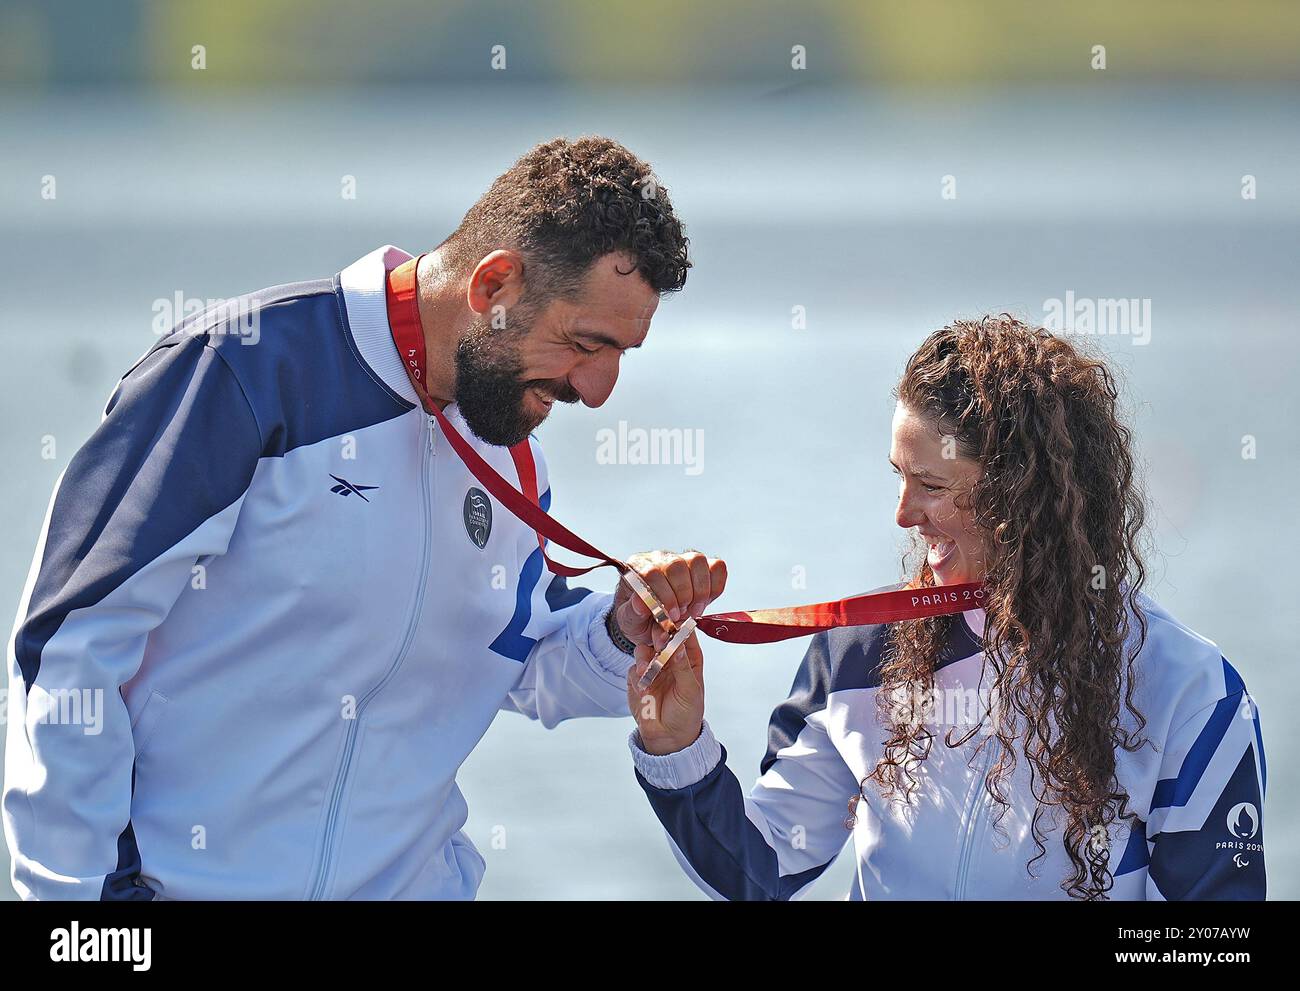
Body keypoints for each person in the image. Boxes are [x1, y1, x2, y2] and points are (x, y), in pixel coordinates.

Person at [4, 136, 726, 900]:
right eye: (586, 344)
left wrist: (625, 630)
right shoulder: (244, 369)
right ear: (495, 285)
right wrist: (84, 913)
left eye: (622, 354)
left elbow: (521, 661)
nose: (600, 389)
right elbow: (71, 644)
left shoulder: (513, 453)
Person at [627, 315, 1266, 900]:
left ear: (1025, 495)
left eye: (931, 485)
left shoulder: (1187, 689)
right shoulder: (859, 649)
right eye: (899, 476)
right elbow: (757, 871)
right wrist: (676, 745)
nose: (902, 514)